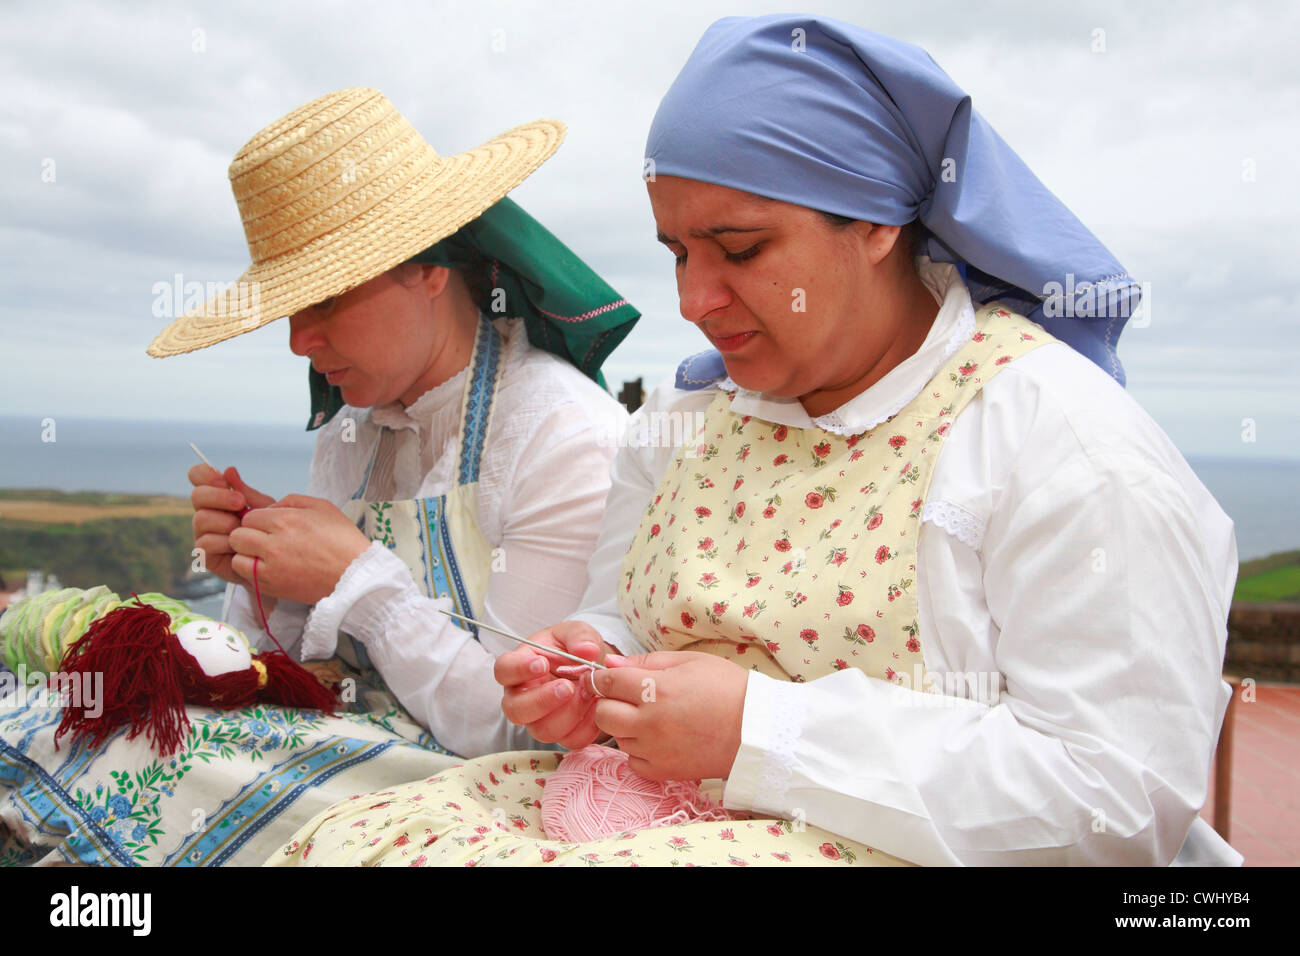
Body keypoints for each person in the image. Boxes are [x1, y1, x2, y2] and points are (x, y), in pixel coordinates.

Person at [269, 19, 1238, 867]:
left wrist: (759, 731)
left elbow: (1116, 799)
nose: (692, 302)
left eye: (738, 250)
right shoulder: (688, 423)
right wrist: (590, 663)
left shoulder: (1053, 438)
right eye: (677, 253)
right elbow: (627, 614)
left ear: (873, 222)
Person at [0, 88, 635, 867]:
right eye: (289, 309)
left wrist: (359, 580)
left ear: (431, 267)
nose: (301, 341)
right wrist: (265, 570)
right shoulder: (352, 426)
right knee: (87, 718)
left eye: (325, 298)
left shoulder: (560, 434)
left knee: (142, 757)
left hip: (499, 793)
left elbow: (524, 730)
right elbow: (272, 666)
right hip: (368, 740)